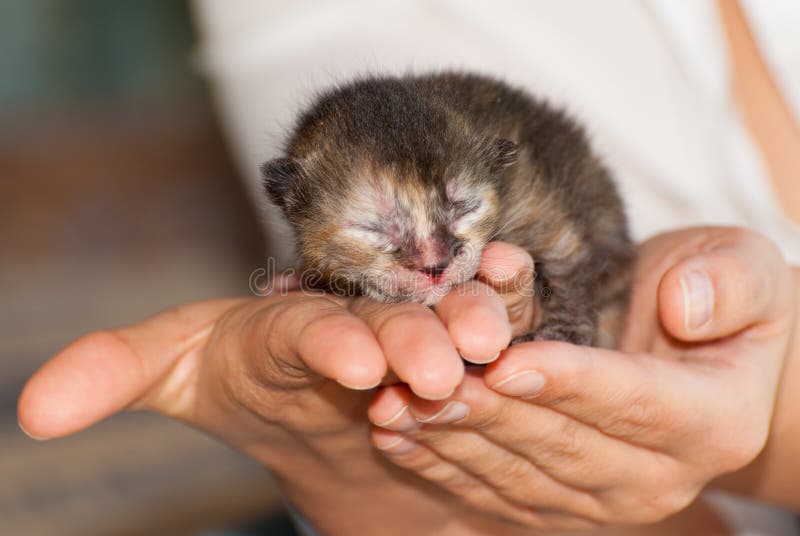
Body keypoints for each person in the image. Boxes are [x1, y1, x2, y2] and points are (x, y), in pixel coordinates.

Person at [18, 1, 800, 534]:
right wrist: (363, 493)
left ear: (495, 177)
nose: (433, 260)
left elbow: (573, 243)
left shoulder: (521, 185)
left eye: (460, 214)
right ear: (292, 203)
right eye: (377, 230)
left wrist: (580, 318)